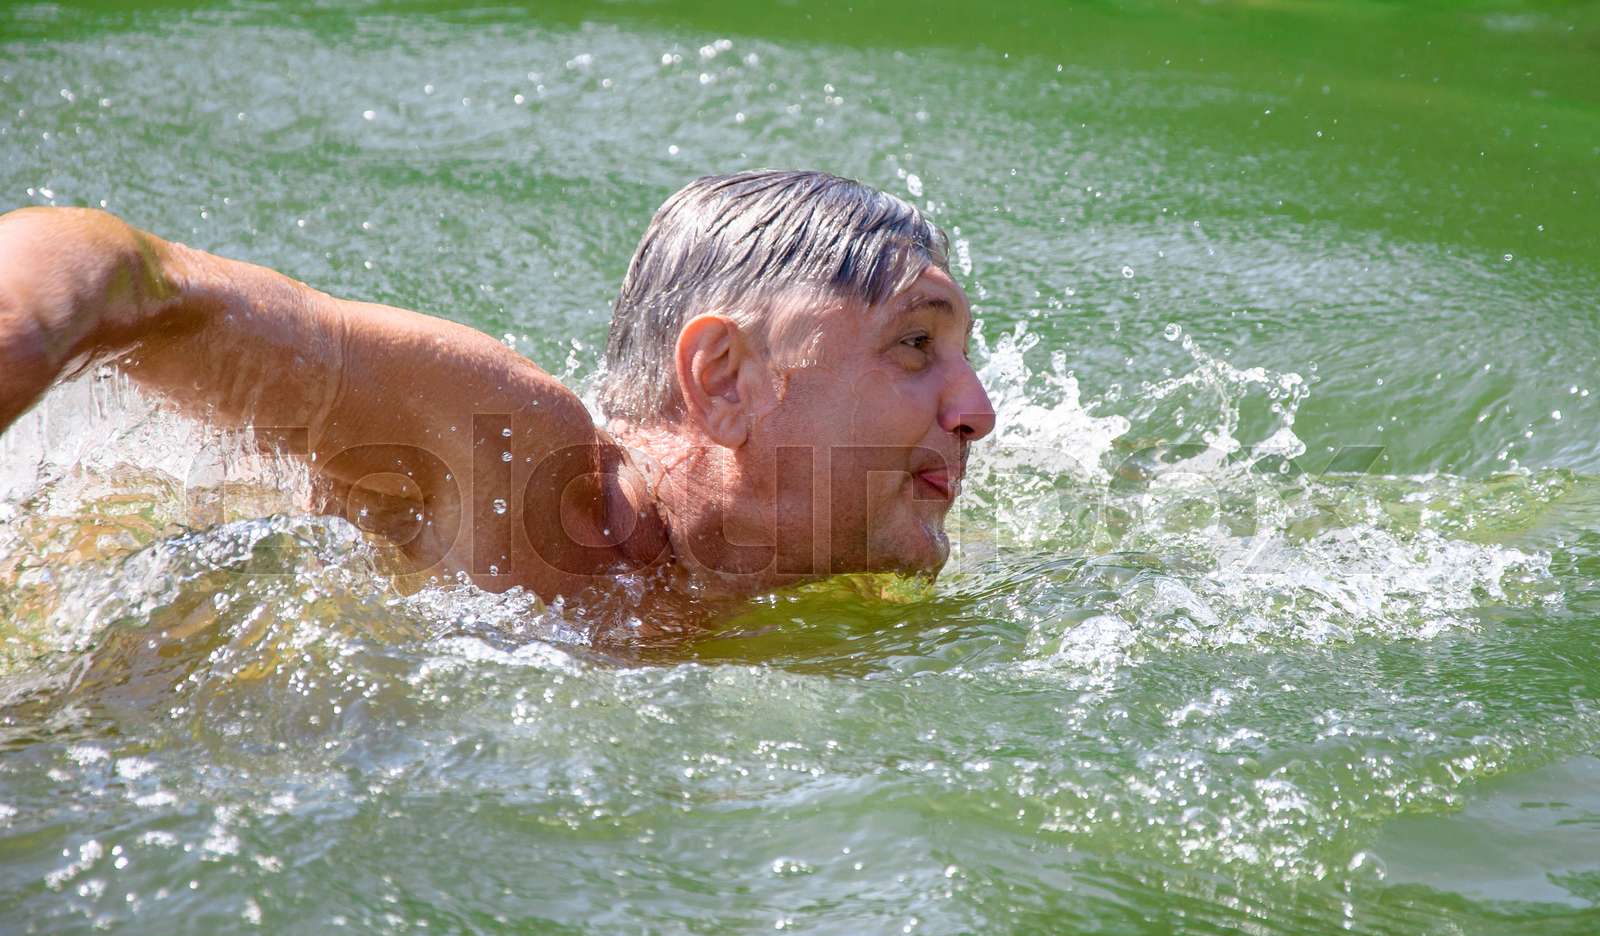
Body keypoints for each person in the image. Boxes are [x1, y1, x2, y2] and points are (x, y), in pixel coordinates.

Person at [0, 170, 995, 615]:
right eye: (916, 342)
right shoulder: (511, 456)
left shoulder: (825, 594)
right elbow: (114, 270)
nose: (977, 411)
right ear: (724, 378)